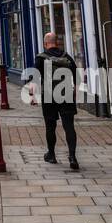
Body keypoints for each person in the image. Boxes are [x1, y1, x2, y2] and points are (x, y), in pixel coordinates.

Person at [35, 31, 79, 170]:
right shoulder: (66, 57)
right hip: (65, 94)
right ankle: (72, 157)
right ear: (57, 43)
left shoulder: (41, 58)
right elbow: (77, 76)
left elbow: (36, 78)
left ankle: (52, 155)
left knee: (50, 126)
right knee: (69, 126)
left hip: (49, 95)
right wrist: (74, 92)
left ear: (46, 44)